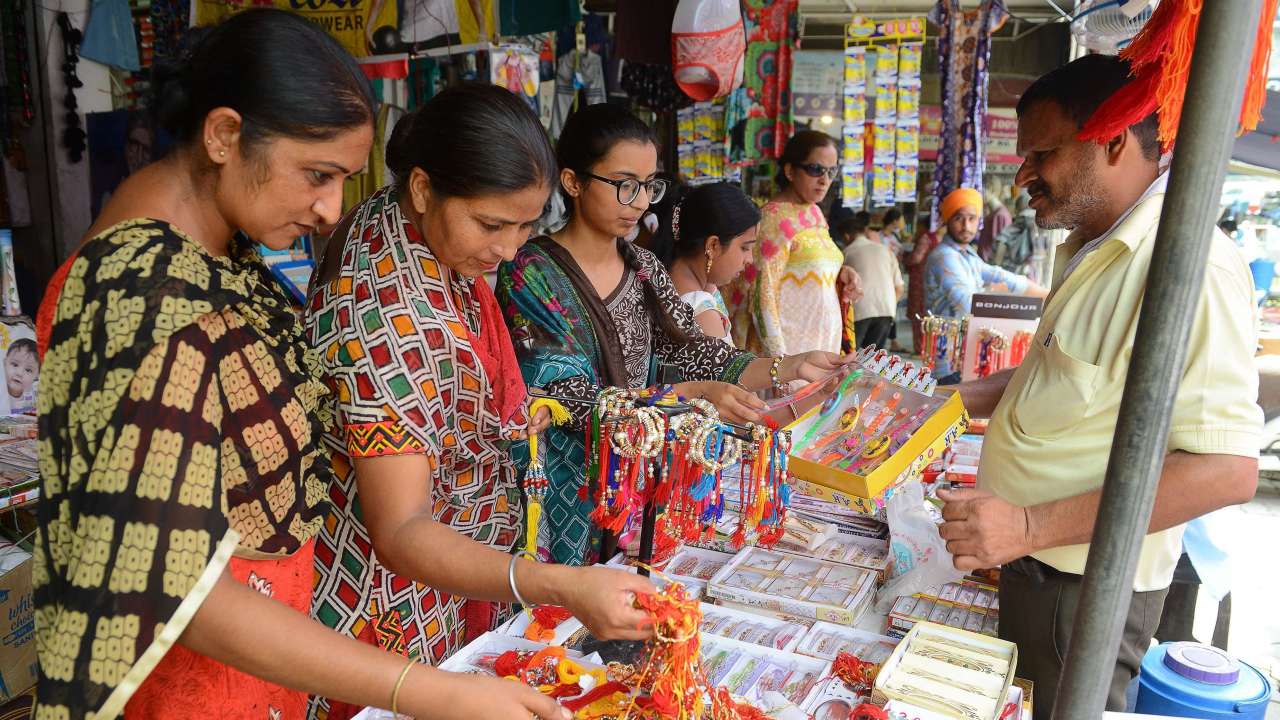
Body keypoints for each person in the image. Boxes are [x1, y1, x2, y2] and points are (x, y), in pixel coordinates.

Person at [34, 11, 575, 720]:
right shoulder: (140, 294)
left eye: (342, 180)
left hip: (259, 676)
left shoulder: (212, 259)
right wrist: (428, 689)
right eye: (317, 175)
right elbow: (178, 588)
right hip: (186, 692)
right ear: (224, 135)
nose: (328, 211)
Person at [306, 85, 655, 720]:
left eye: (527, 225)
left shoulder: (413, 229)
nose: (510, 250)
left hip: (452, 567)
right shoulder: (385, 314)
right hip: (390, 602)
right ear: (421, 188)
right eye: (492, 224)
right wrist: (562, 583)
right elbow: (403, 528)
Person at [938, 54, 1263, 719]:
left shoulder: (1187, 265)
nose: (1022, 174)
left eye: (1043, 153)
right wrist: (930, 401)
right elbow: (1043, 379)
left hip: (1080, 593)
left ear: (1114, 141)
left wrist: (1028, 524)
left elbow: (1226, 470)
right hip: (1039, 572)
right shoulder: (1097, 247)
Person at [498, 104, 848, 566]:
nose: (641, 202)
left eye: (648, 186)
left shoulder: (643, 269)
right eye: (625, 184)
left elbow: (695, 353)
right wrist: (683, 395)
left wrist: (792, 364)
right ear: (573, 182)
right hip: (564, 490)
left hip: (633, 487)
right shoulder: (530, 272)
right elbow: (565, 394)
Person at [724, 130, 861, 357]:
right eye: (815, 169)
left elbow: (808, 265)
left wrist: (842, 272)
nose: (825, 180)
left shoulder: (814, 213)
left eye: (831, 171)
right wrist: (780, 365)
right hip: (791, 358)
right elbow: (762, 299)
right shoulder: (773, 219)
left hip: (823, 348)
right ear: (789, 171)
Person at [925, 187, 1046, 382]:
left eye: (972, 219)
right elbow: (968, 303)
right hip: (948, 362)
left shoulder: (968, 255)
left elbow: (1002, 277)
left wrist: (1049, 294)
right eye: (959, 218)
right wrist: (1021, 314)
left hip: (964, 357)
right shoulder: (945, 257)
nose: (966, 225)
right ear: (947, 220)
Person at [658, 182, 762, 344]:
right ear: (713, 246)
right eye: (745, 247)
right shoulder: (702, 314)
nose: (750, 260)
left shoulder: (666, 276)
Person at [837, 213, 902, 350]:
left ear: (846, 236)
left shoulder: (846, 252)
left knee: (849, 357)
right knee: (874, 361)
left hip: (860, 310)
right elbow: (899, 287)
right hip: (886, 309)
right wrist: (888, 306)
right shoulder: (885, 250)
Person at [3, 337, 36, 414]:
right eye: (15, 365)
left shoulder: (32, 399)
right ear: (4, 364)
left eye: (28, 370)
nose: (19, 373)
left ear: (36, 376)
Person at [977, 189, 1012, 261]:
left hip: (990, 264)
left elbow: (1001, 246)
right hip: (984, 262)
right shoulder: (993, 213)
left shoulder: (1000, 215)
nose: (979, 194)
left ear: (992, 190)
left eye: (983, 191)